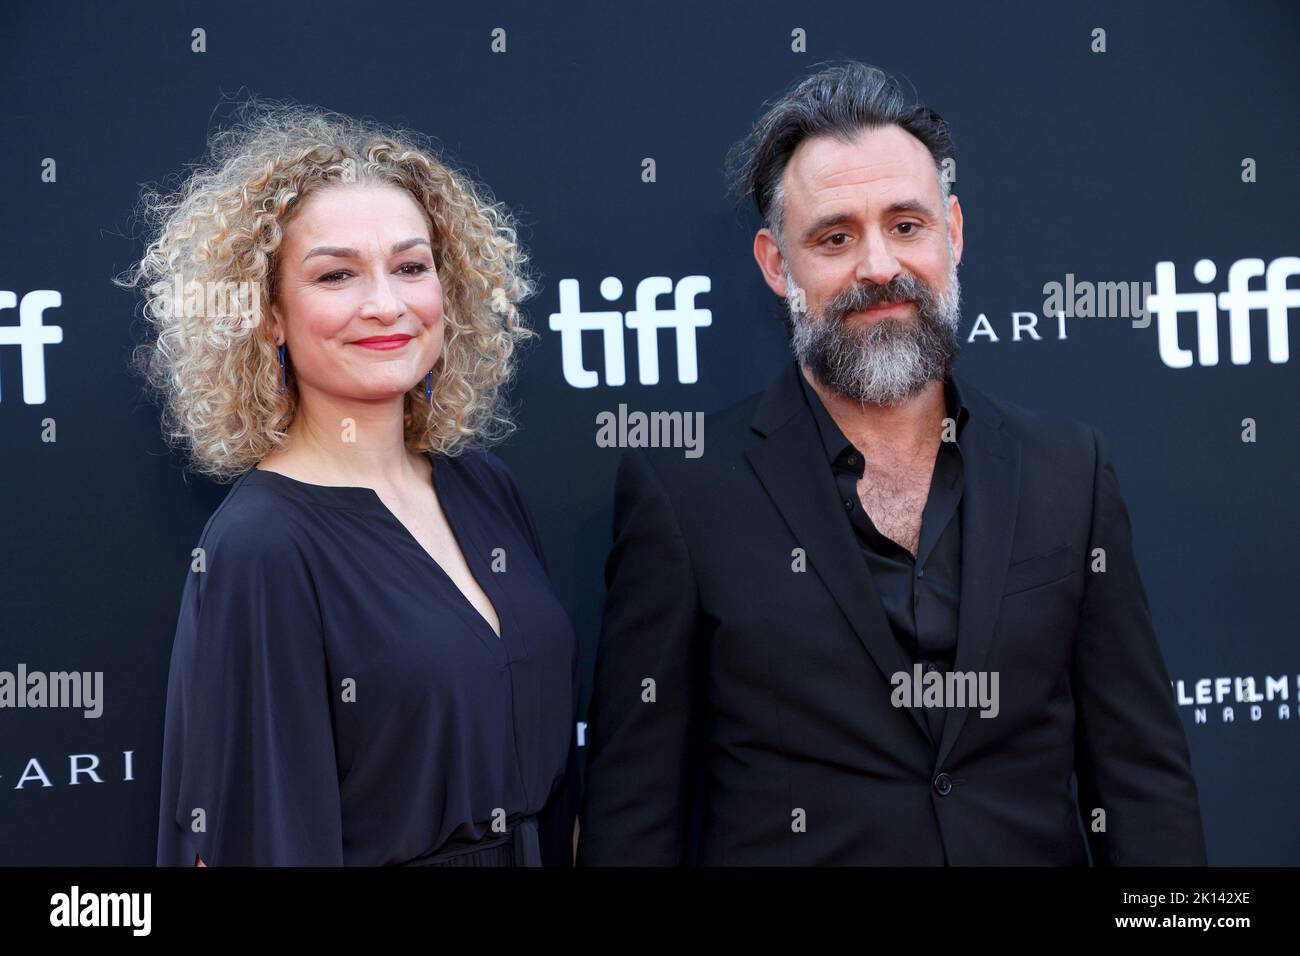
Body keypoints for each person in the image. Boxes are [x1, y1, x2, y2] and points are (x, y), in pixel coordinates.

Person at [576, 62, 1206, 865]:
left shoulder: (1069, 471)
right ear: (777, 265)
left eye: (906, 225)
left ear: (954, 232)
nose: (879, 266)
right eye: (835, 237)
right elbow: (635, 816)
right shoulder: (684, 492)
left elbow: (1143, 782)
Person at [123, 100, 579, 866]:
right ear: (267, 315)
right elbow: (263, 838)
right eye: (336, 274)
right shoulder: (261, 546)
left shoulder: (482, 487)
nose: (386, 305)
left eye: (410, 267)